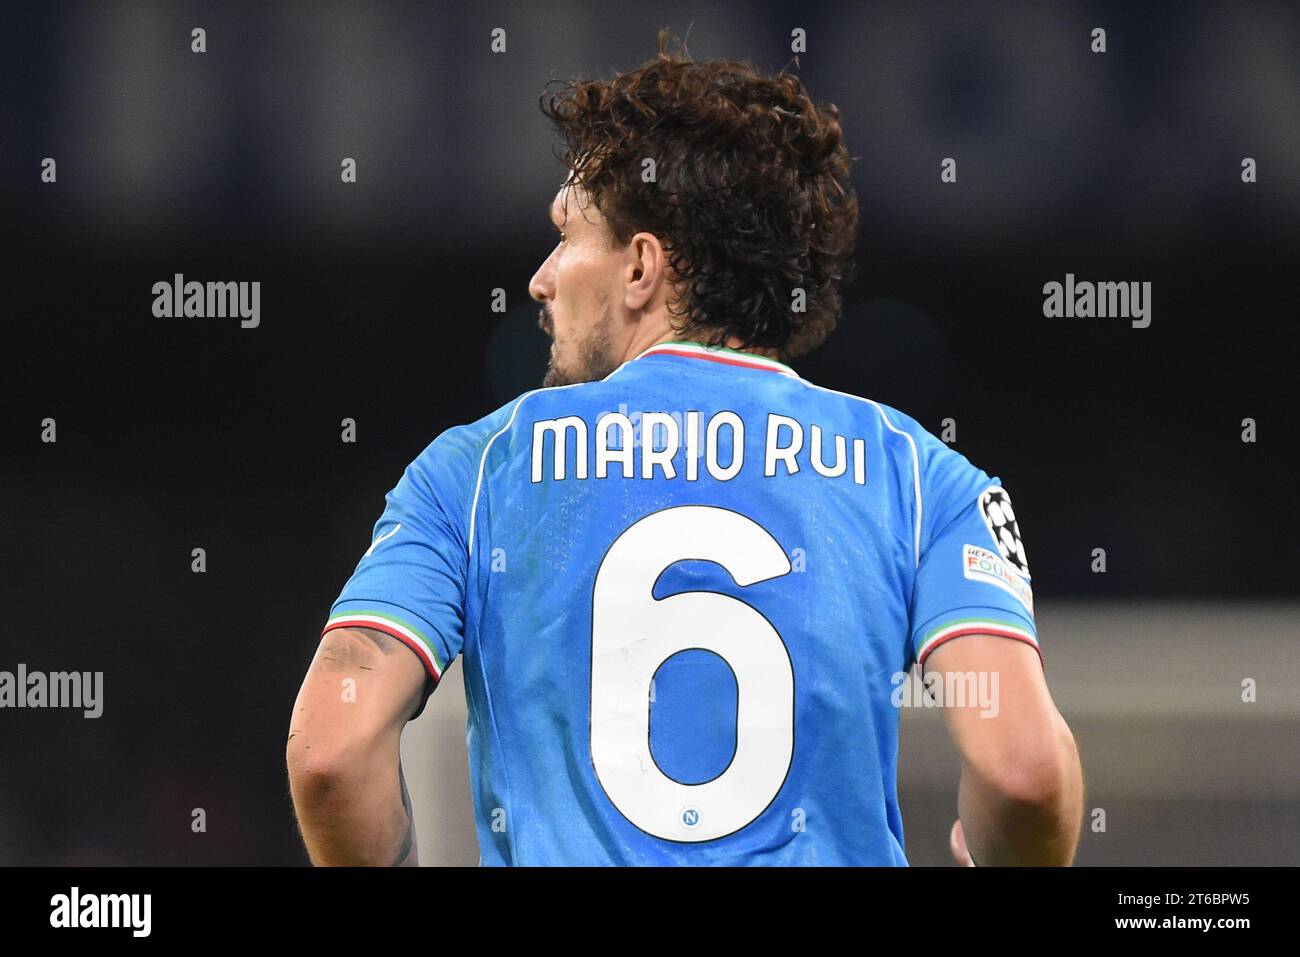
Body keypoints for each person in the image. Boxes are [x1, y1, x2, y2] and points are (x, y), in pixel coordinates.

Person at [286, 31, 1082, 866]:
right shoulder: (924, 479)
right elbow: (1024, 771)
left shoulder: (474, 474)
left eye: (568, 235)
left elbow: (330, 752)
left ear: (640, 268)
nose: (542, 277)